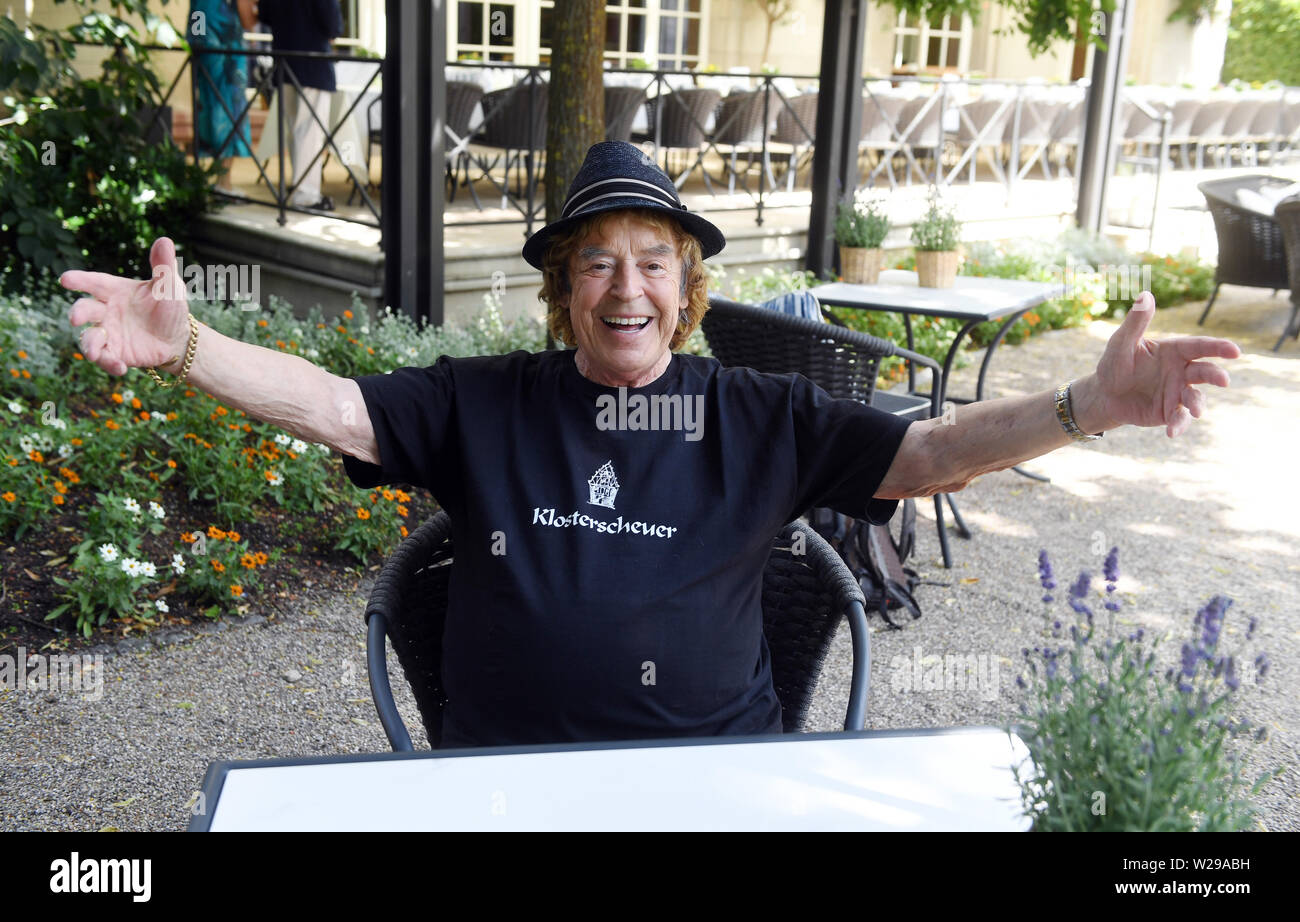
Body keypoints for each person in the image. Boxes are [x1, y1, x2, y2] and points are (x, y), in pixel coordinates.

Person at [60, 141, 1240, 748]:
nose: (625, 285)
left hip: (705, 786)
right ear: (564, 291)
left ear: (685, 291)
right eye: (595, 261)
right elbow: (332, 404)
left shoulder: (761, 414)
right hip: (501, 789)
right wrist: (188, 347)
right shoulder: (485, 402)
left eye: (653, 259)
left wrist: (1090, 406)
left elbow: (928, 455)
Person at [255, 0, 344, 210]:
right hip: (312, 64)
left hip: (285, 62)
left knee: (297, 131)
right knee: (309, 132)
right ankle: (306, 194)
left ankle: (301, 190)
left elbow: (265, 14)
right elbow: (333, 25)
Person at [189, 0, 258, 193]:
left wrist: (200, 42)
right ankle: (223, 182)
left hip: (205, 48)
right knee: (229, 112)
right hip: (226, 51)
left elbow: (197, 23)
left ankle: (214, 179)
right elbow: (248, 21)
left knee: (211, 108)